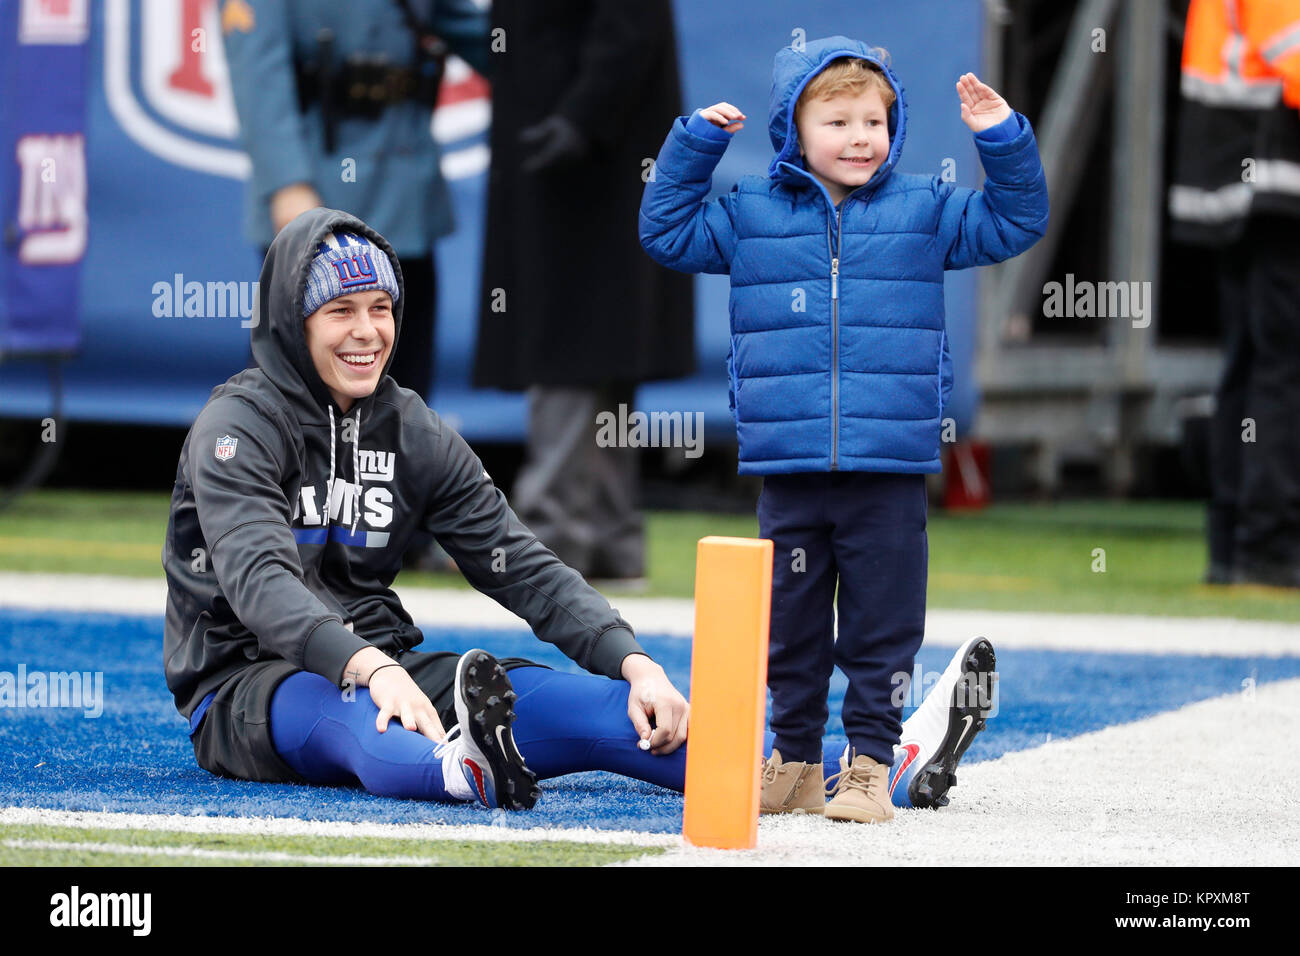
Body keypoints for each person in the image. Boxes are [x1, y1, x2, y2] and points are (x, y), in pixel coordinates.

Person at [162, 207, 994, 813]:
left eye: (380, 309)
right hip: (253, 683)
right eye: (339, 311)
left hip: (394, 665)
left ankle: (880, 768)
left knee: (641, 727)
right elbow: (261, 581)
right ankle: (464, 768)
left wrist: (631, 663)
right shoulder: (237, 426)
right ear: (290, 322)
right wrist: (366, 666)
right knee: (364, 724)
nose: (367, 332)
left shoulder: (407, 423)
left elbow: (517, 562)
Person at [640, 37, 1047, 823]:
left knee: (881, 628)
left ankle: (867, 765)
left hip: (888, 467)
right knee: (786, 631)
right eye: (839, 121)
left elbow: (1016, 219)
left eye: (876, 121)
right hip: (787, 466)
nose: (862, 137)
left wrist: (1003, 136)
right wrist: (693, 144)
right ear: (794, 129)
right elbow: (666, 233)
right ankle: (791, 762)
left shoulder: (926, 209)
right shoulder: (752, 213)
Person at [472, 0, 695, 587]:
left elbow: (630, 25)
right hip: (574, 149)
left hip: (591, 159)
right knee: (599, 349)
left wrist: (581, 116)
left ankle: (552, 540)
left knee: (573, 343)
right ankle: (605, 538)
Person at [220, 0, 490, 402]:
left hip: (405, 193)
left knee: (402, 393)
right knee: (295, 388)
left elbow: (476, 34)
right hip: (321, 194)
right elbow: (259, 72)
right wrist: (287, 182)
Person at [1169, 0, 1300, 590]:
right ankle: (1266, 546)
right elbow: (1291, 54)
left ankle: (1234, 544)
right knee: (1281, 367)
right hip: (1271, 178)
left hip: (1236, 177)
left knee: (1251, 363)